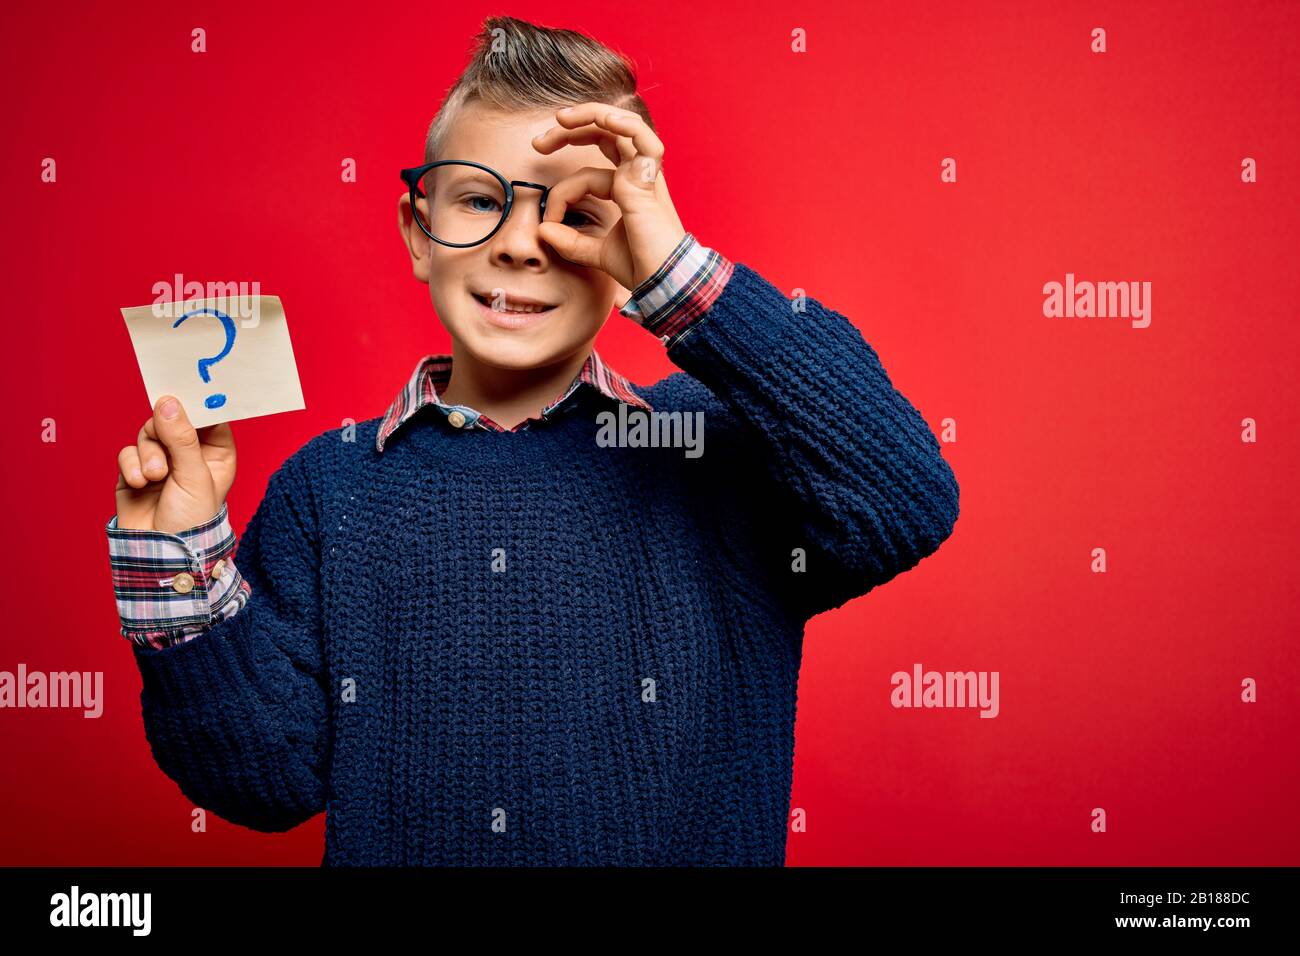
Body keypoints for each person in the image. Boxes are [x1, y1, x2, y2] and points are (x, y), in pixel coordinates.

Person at [107, 15, 960, 866]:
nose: (520, 246)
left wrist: (674, 271)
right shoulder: (327, 489)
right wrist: (176, 564)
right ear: (417, 232)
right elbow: (267, 780)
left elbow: (906, 497)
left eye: (574, 216)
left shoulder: (717, 450)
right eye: (480, 201)